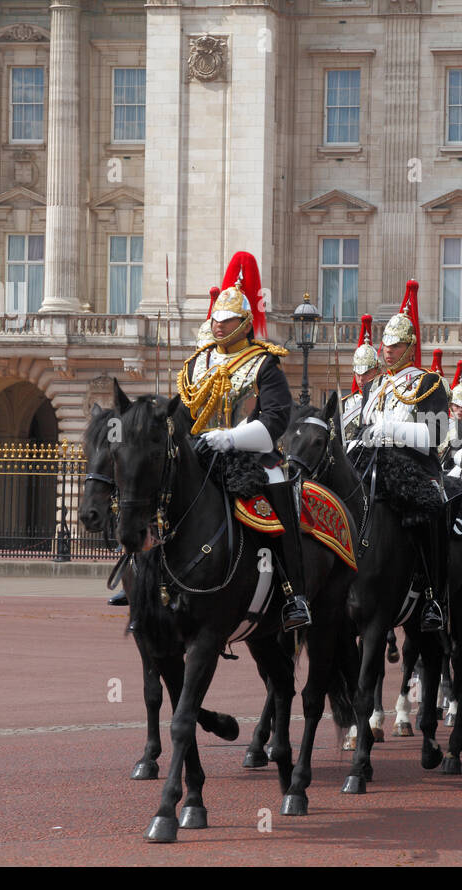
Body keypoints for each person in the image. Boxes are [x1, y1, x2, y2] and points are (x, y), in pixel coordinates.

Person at [175, 250, 312, 630]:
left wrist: (231, 438)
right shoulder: (197, 364)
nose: (219, 326)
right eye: (216, 320)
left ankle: (293, 593)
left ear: (245, 322)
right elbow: (183, 413)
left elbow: (275, 420)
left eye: (228, 320)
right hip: (199, 454)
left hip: (250, 459)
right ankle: (144, 572)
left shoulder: (264, 362)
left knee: (278, 496)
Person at [357, 279, 451, 633]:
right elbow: (363, 430)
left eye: (396, 346)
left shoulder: (428, 383)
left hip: (414, 467)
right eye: (385, 345)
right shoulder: (374, 386)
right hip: (371, 463)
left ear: (410, 347)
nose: (388, 351)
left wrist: (392, 431)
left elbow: (436, 437)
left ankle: (434, 595)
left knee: (433, 512)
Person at [342, 314, 381, 451]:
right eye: (357, 374)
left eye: (366, 374)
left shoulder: (384, 398)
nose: (361, 380)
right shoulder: (345, 403)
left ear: (376, 371)